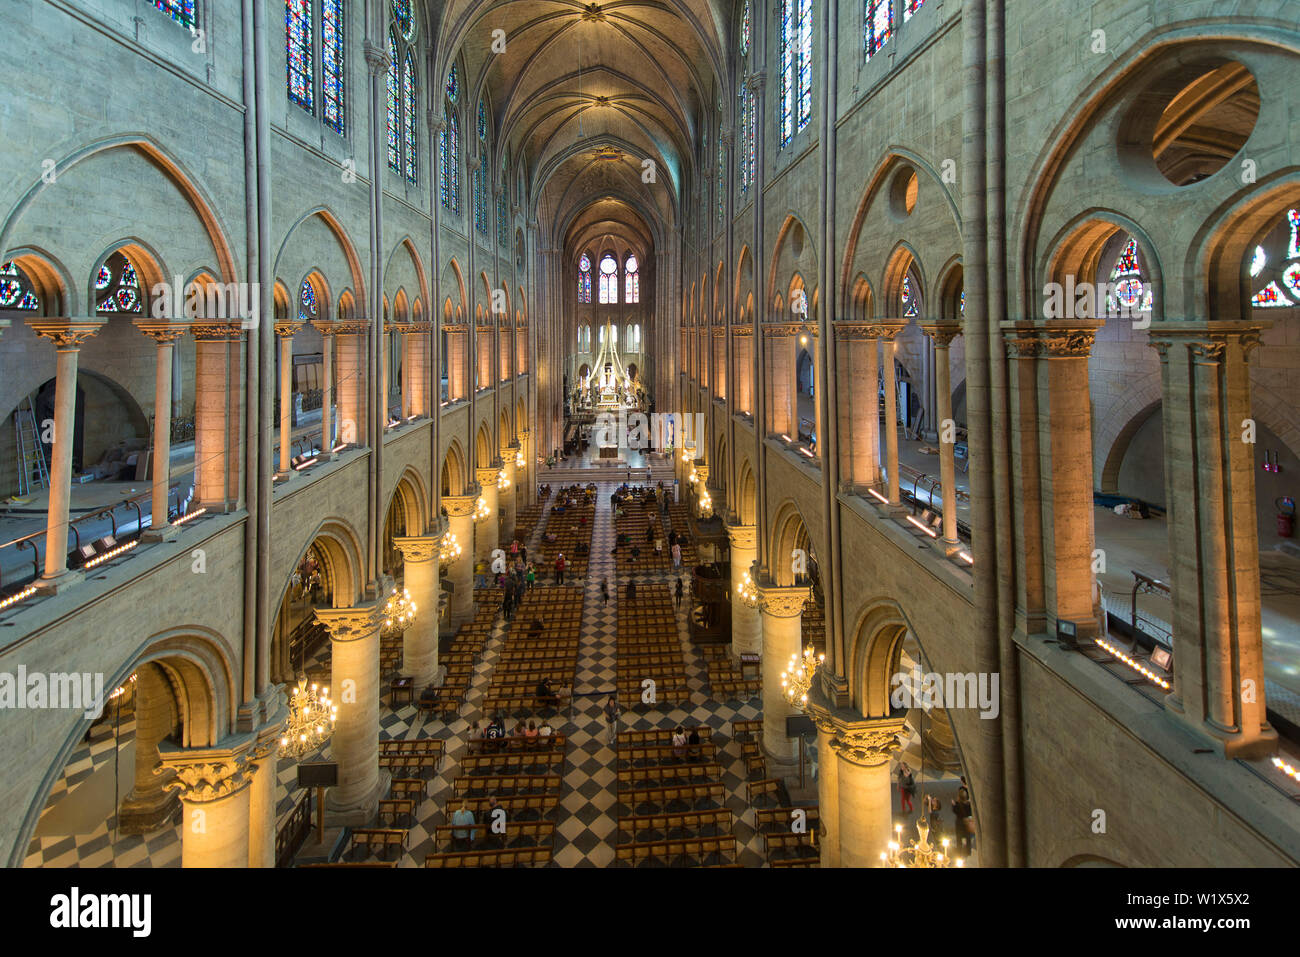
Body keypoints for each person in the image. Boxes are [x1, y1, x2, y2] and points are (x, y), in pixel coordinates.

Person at [952, 787, 974, 857]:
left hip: (959, 823)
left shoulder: (957, 805)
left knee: (959, 838)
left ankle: (959, 852)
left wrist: (953, 805)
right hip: (967, 822)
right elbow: (970, 813)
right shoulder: (969, 804)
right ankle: (968, 851)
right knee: (968, 838)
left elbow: (955, 811)